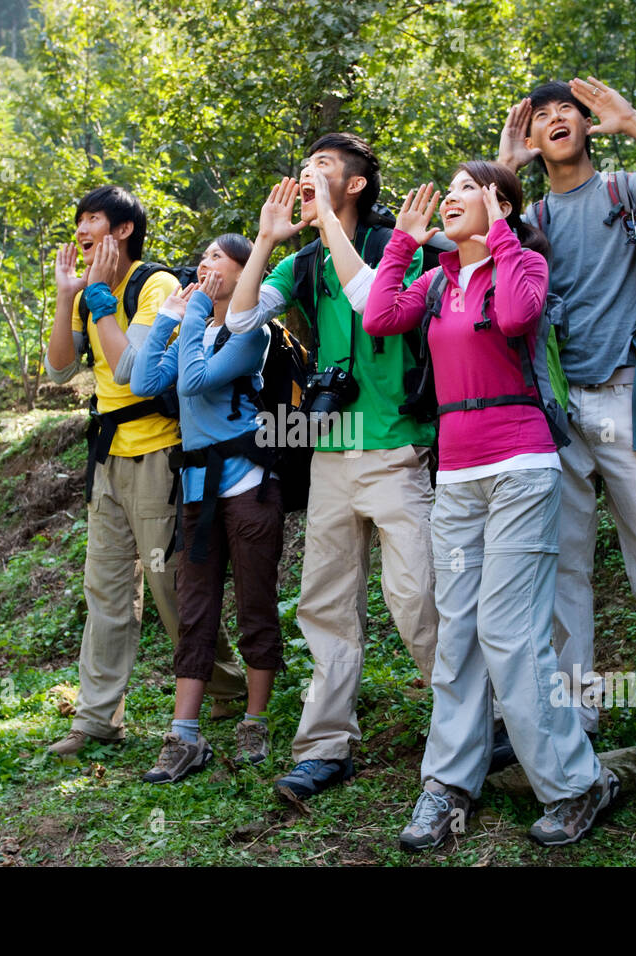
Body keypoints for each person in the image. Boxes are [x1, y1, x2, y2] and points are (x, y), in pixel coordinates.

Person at [364, 161, 619, 849]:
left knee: (510, 634)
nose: (448, 198)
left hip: (521, 467)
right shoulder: (436, 281)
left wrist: (503, 236)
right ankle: (446, 784)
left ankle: (576, 783)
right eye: (445, 191)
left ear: (501, 205)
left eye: (465, 190)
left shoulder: (523, 265)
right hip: (457, 475)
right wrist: (403, 243)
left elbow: (517, 315)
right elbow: (379, 316)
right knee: (458, 631)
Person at [497, 79, 636, 801]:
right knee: (560, 574)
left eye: (566, 108)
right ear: (530, 141)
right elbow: (467, 263)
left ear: (589, 123)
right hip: (554, 416)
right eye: (539, 117)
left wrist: (632, 121)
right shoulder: (526, 215)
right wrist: (501, 167)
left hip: (631, 399)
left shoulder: (630, 191)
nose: (555, 119)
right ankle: (573, 715)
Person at [225, 133, 440, 800]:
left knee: (418, 599)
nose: (307, 177)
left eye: (323, 169)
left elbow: (370, 305)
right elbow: (237, 322)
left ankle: (477, 721)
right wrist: (265, 241)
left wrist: (325, 227)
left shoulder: (395, 245)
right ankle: (325, 746)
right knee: (323, 605)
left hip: (398, 447)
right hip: (331, 455)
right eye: (304, 168)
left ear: (354, 185)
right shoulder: (304, 263)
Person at [43, 186, 246, 756]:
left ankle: (228, 683)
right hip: (107, 458)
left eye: (94, 220)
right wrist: (68, 299)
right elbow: (59, 372)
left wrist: (102, 296)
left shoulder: (155, 285)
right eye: (78, 219)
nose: (82, 229)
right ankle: (97, 718)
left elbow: (133, 372)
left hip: (158, 452)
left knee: (170, 587)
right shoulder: (88, 292)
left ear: (124, 230)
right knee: (104, 590)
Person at [130, 235, 285, 781]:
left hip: (248, 486)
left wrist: (193, 312)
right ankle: (185, 735)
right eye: (205, 257)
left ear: (246, 274)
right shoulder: (195, 327)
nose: (205, 263)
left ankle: (255, 720)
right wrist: (168, 320)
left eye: (220, 257)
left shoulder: (253, 334)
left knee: (255, 603)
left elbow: (195, 379)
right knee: (194, 610)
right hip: (197, 489)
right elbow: (144, 380)